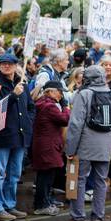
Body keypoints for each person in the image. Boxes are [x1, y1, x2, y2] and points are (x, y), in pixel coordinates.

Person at [63, 64, 111, 221]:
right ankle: (97, 219)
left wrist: (70, 149)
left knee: (78, 180)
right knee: (100, 181)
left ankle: (77, 219)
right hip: (105, 147)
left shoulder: (83, 94)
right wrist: (108, 138)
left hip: (84, 145)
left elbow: (75, 125)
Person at [0, 53, 34, 221]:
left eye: (9, 64)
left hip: (20, 136)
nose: (6, 66)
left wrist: (29, 123)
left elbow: (30, 108)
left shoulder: (23, 85)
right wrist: (13, 95)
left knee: (14, 174)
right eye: (3, 64)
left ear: (15, 65)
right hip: (1, 136)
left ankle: (9, 204)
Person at [31, 81, 70, 214]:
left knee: (47, 175)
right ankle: (41, 205)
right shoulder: (49, 106)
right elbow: (64, 120)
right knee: (45, 176)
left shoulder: (44, 103)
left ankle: (46, 201)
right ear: (51, 91)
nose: (61, 95)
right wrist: (66, 107)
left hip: (45, 145)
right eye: (60, 91)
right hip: (47, 146)